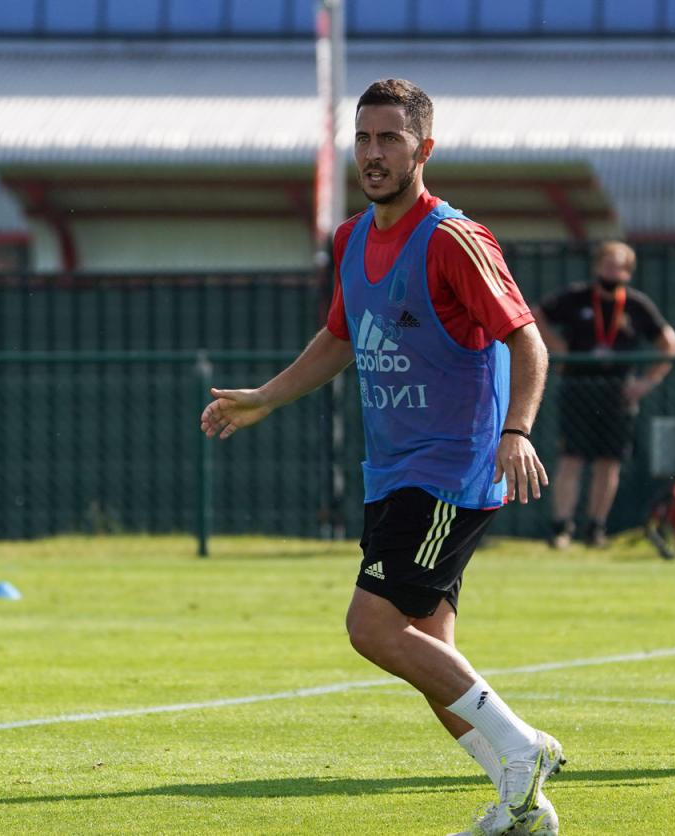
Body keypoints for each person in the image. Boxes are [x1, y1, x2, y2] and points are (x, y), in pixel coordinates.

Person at [199, 78, 564, 836]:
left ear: (423, 149)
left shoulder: (455, 238)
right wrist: (267, 397)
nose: (372, 154)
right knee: (431, 657)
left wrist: (518, 431)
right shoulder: (350, 240)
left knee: (371, 627)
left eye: (389, 139)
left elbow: (526, 339)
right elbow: (340, 336)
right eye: (364, 138)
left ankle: (522, 747)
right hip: (393, 471)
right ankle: (522, 803)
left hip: (450, 470)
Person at [536, 241, 675, 549]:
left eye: (619, 267)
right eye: (607, 265)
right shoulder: (575, 298)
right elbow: (535, 316)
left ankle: (595, 528)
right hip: (579, 388)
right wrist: (560, 351)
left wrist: (646, 383)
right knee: (571, 458)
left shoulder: (636, 305)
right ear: (596, 267)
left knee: (608, 462)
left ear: (628, 272)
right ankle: (561, 527)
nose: (611, 272)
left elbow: (669, 345)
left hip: (618, 395)